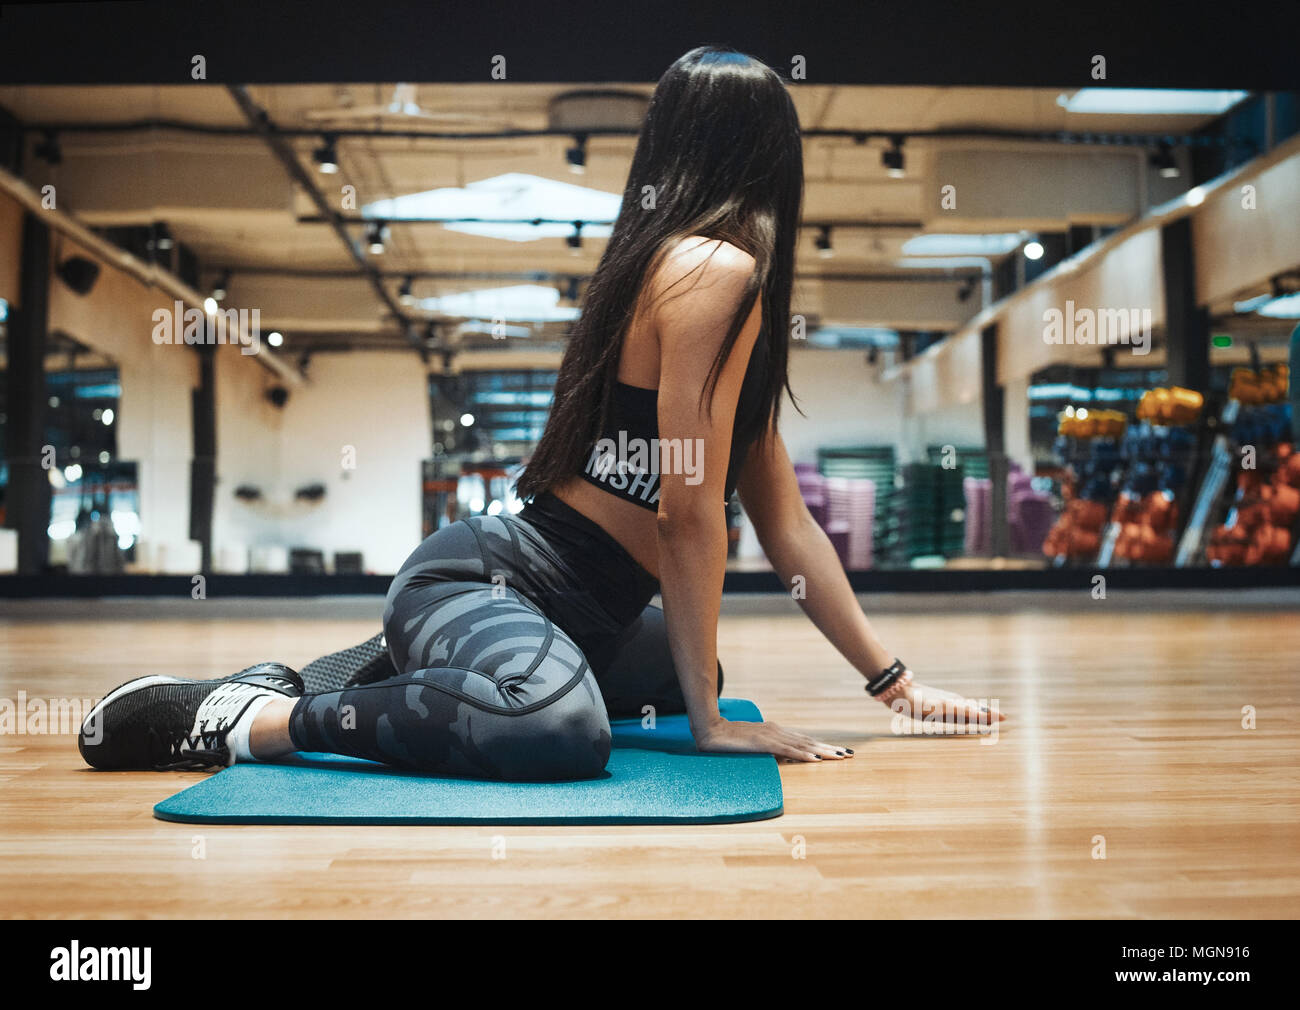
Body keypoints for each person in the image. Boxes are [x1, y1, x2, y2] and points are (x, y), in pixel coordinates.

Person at [78, 45, 1004, 781]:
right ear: (771, 155)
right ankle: (256, 717)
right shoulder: (711, 271)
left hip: (587, 613)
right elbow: (687, 512)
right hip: (489, 578)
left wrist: (897, 686)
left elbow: (787, 523)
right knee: (560, 729)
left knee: (689, 674)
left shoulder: (706, 284)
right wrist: (713, 731)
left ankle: (353, 673)